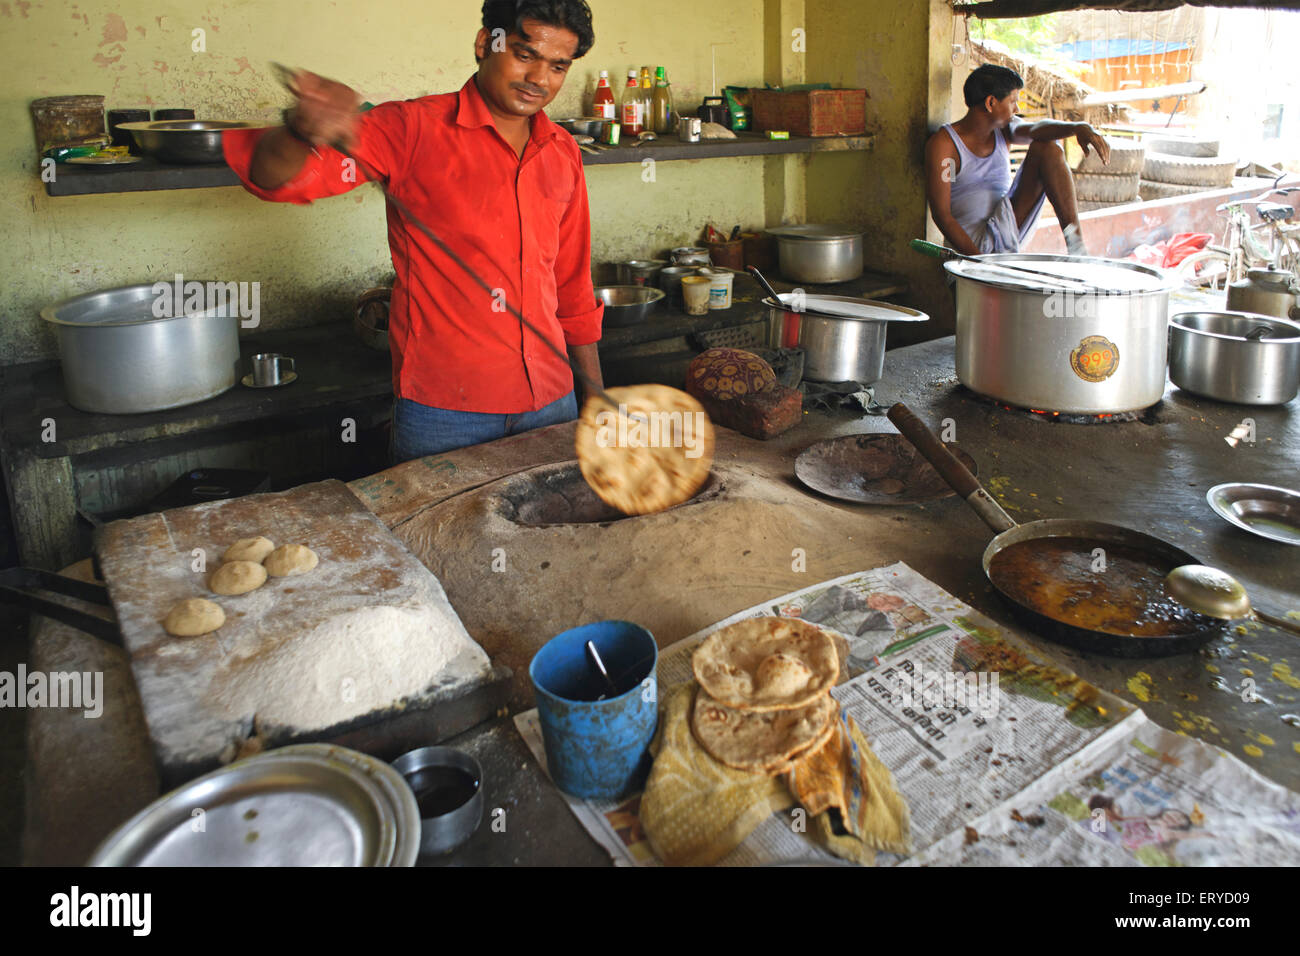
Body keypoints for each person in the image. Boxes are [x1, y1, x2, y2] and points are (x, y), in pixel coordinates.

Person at [222, 1, 604, 462]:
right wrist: (300, 129)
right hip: (445, 412)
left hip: (553, 400)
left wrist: (596, 395)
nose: (539, 79)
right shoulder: (409, 129)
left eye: (557, 66)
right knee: (433, 535)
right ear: (486, 44)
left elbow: (572, 287)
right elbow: (274, 180)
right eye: (524, 54)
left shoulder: (562, 151)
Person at [925, 63, 1111, 258]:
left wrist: (1076, 128)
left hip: (1007, 230)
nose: (1017, 108)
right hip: (970, 247)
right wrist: (979, 262)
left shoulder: (1004, 130)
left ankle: (1077, 249)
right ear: (990, 103)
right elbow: (942, 215)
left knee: (1048, 149)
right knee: (1046, 148)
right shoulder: (945, 144)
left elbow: (1038, 128)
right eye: (1013, 101)